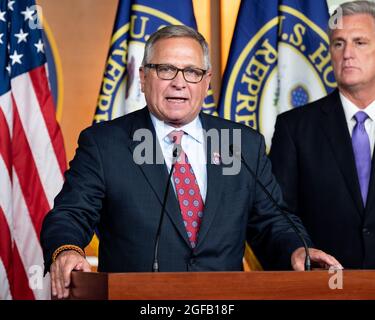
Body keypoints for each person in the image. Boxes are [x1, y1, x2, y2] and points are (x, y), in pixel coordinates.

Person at [41, 25, 341, 299]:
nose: (179, 83)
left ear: (206, 81)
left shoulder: (241, 143)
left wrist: (295, 249)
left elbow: (271, 221)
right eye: (166, 69)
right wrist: (66, 249)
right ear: (143, 78)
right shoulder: (105, 144)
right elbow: (71, 214)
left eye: (192, 72)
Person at [269, 1, 375, 270]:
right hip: (324, 287)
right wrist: (297, 250)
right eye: (338, 43)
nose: (347, 53)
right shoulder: (294, 128)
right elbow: (278, 213)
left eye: (360, 42)